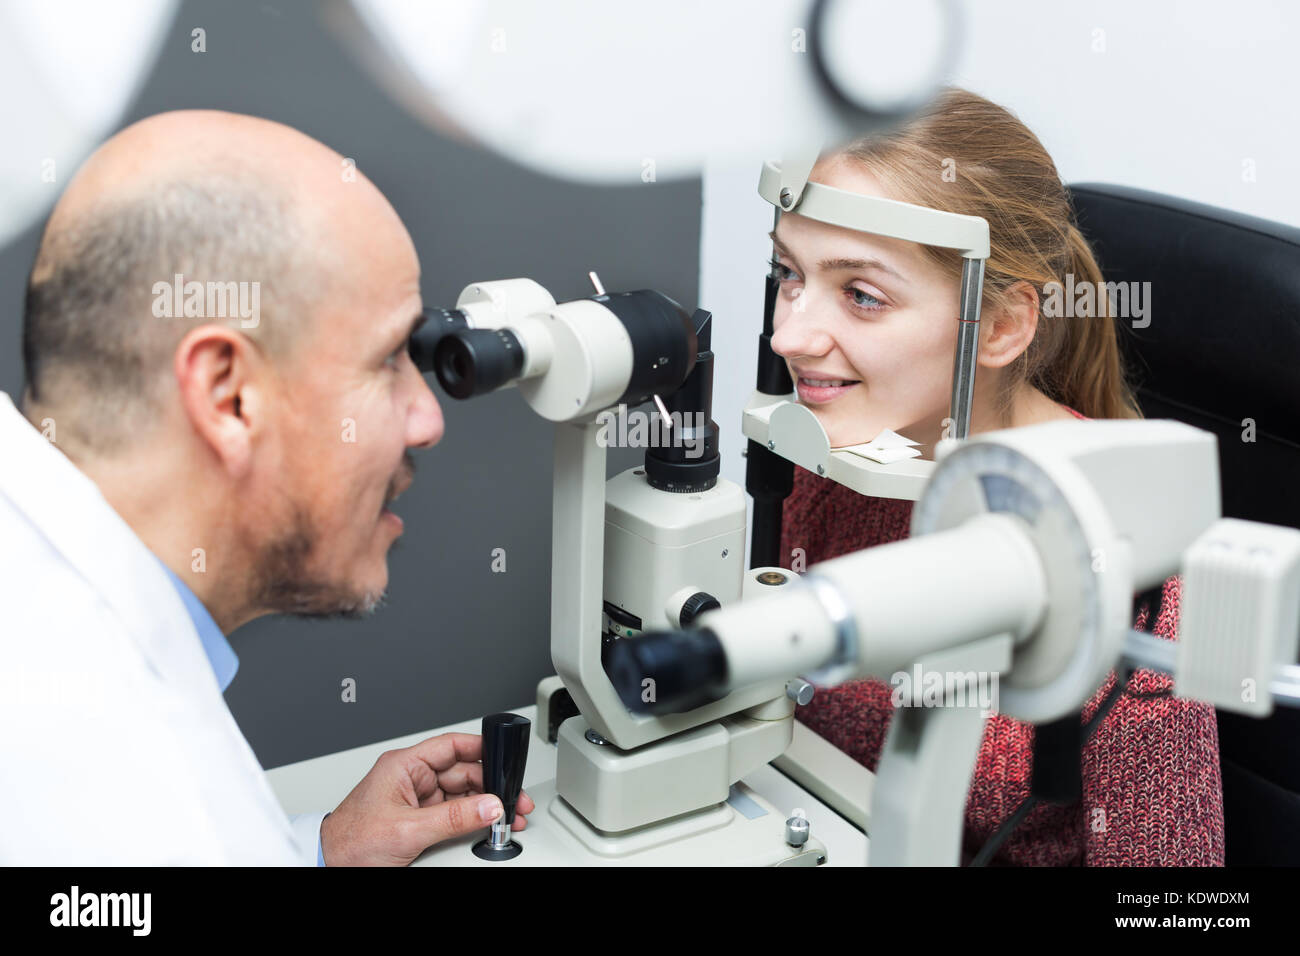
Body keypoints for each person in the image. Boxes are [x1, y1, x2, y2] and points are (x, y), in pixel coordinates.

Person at [0, 110, 533, 864]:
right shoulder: (134, 799)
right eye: (387, 360)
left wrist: (316, 853)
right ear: (228, 396)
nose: (426, 420)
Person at [769, 88, 1224, 865]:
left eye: (862, 295)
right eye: (788, 273)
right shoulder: (844, 449)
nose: (788, 335)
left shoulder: (1137, 580)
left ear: (1004, 324)